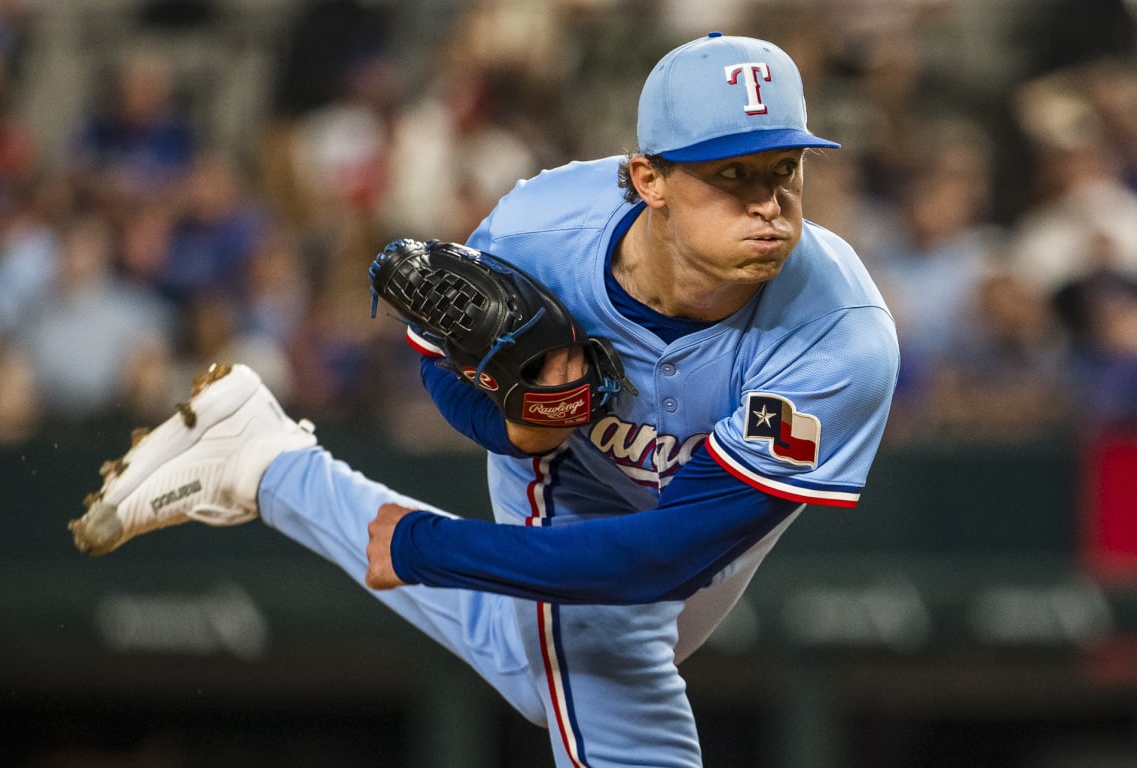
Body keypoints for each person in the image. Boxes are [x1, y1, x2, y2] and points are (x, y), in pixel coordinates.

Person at [70, 32, 898, 768]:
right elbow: (436, 359)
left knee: (558, 672)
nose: (768, 204)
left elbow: (667, 556)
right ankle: (264, 464)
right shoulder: (541, 233)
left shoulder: (841, 335)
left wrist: (427, 545)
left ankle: (267, 464)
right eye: (732, 174)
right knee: (606, 666)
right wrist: (512, 423)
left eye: (785, 172)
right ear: (648, 178)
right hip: (567, 471)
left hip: (695, 510)